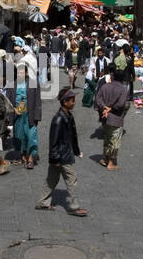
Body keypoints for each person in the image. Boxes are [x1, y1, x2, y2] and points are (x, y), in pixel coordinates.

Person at [36, 87, 88, 216]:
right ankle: (73, 207)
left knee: (51, 179)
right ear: (65, 102)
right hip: (61, 156)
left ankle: (43, 202)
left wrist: (76, 150)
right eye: (72, 100)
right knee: (72, 179)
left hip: (64, 154)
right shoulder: (58, 119)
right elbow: (53, 141)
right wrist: (55, 158)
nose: (74, 103)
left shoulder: (68, 116)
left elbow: (72, 136)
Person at [94, 67, 131, 171]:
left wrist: (104, 107)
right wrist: (110, 108)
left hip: (105, 118)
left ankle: (105, 159)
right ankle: (110, 163)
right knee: (115, 142)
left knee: (107, 139)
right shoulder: (123, 89)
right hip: (116, 119)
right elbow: (121, 104)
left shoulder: (105, 86)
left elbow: (98, 98)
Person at [12, 62, 41, 169]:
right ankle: (22, 156)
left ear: (26, 73)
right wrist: (11, 113)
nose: (20, 74)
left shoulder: (33, 83)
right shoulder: (13, 84)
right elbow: (9, 100)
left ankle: (31, 159)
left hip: (30, 115)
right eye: (18, 72)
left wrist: (37, 115)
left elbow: (38, 100)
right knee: (19, 136)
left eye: (22, 72)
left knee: (31, 136)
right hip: (18, 115)